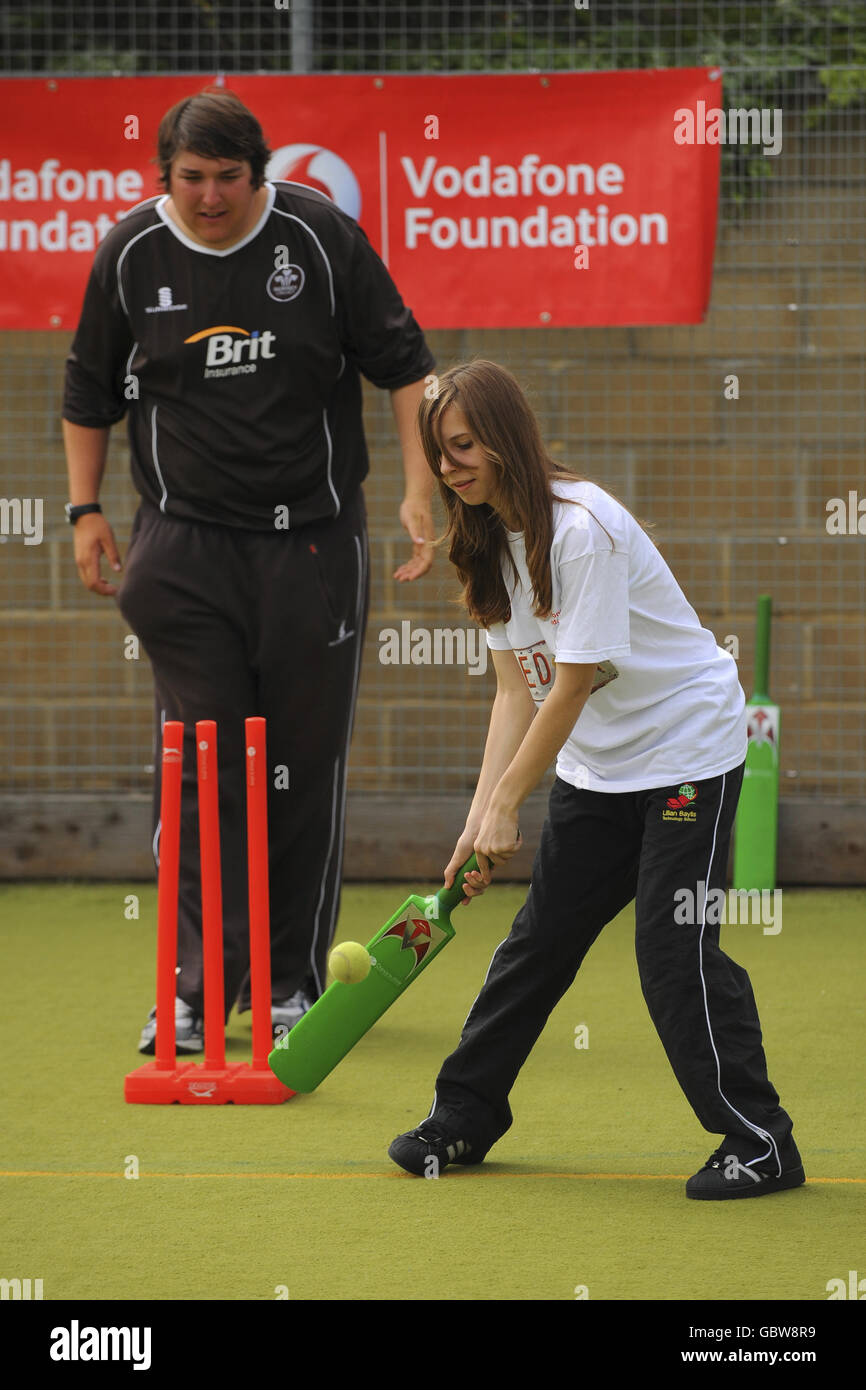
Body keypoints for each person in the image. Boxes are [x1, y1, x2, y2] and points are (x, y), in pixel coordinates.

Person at [62, 89, 436, 1052]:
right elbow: (86, 390)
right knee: (198, 768)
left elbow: (405, 368)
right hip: (181, 550)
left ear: (258, 174)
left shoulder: (317, 239)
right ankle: (191, 994)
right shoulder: (131, 254)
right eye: (192, 177)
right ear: (165, 176)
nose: (211, 195)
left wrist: (416, 492)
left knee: (298, 771)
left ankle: (290, 986)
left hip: (312, 543)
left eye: (230, 176)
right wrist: (85, 510)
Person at [388, 359, 803, 1201]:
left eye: (463, 446)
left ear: (505, 438)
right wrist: (479, 818)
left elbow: (572, 683)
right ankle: (464, 1117)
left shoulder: (583, 529)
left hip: (687, 754)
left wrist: (512, 801)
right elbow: (517, 689)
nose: (447, 468)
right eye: (438, 452)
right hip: (599, 763)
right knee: (540, 940)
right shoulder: (485, 534)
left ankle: (761, 1143)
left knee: (671, 946)